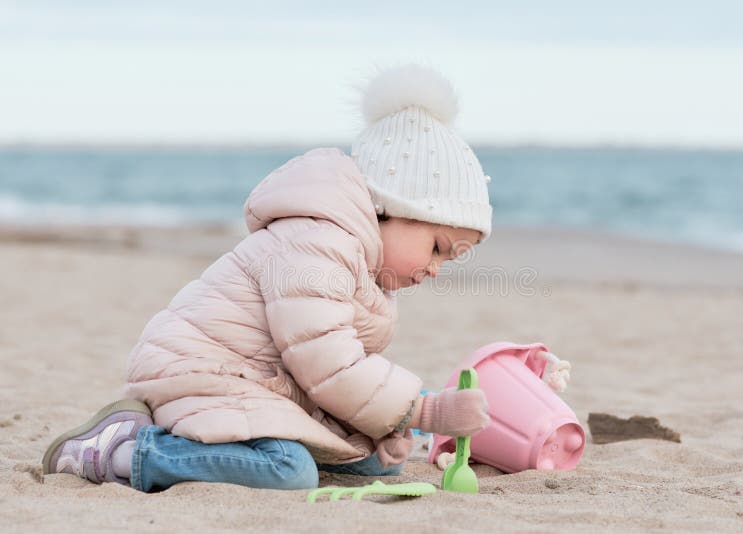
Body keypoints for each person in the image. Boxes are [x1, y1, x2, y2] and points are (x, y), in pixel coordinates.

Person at [42, 63, 494, 492]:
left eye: (449, 260)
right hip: (201, 372)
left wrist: (402, 416)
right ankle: (122, 451)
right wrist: (426, 408)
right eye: (436, 247)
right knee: (288, 470)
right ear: (389, 208)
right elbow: (328, 363)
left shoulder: (358, 259)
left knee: (377, 458)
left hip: (260, 381)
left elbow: (327, 368)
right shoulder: (317, 243)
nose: (435, 269)